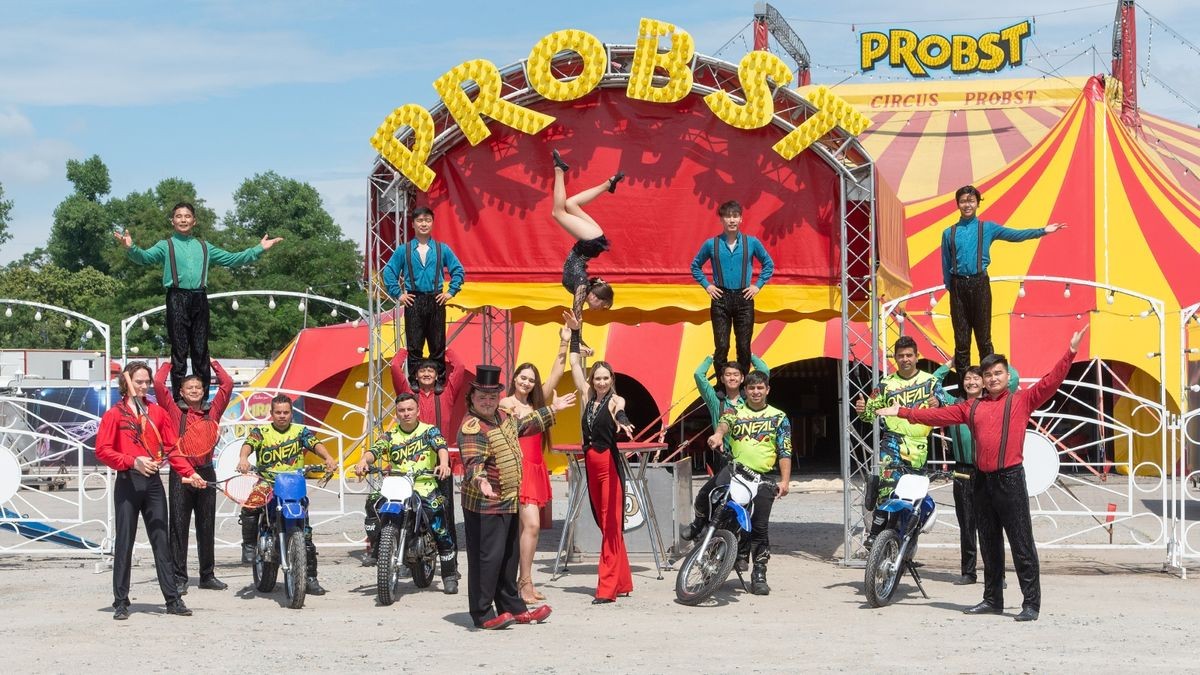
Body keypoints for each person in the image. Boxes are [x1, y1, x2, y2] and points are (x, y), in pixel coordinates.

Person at [877, 326, 1088, 622]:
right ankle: (992, 599)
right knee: (988, 543)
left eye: (998, 373)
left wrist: (1071, 352)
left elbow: (1051, 382)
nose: (992, 378)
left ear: (1007, 376)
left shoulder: (1021, 401)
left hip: (1010, 479)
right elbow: (936, 415)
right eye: (988, 375)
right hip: (981, 481)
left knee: (1021, 543)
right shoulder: (971, 407)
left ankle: (1031, 603)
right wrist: (902, 412)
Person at [116, 202, 282, 395]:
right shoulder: (166, 245)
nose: (183, 220)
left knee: (201, 349)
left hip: (199, 297)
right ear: (172, 221)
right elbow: (145, 257)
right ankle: (178, 395)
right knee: (179, 349)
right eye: (179, 216)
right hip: (177, 296)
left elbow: (232, 259)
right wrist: (131, 248)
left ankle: (202, 395)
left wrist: (259, 249)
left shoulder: (204, 247)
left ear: (194, 221)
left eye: (187, 216)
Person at [458, 365, 575, 629]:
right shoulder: (472, 426)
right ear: (472, 398)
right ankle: (482, 614)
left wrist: (552, 409)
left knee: (508, 558)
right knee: (487, 559)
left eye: (492, 397)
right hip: (485, 503)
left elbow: (524, 425)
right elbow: (473, 461)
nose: (487, 402)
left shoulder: (502, 416)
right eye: (482, 397)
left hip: (509, 498)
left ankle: (513, 607)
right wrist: (481, 480)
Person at [95, 361, 205, 620]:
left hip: (153, 484)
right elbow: (102, 450)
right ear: (127, 383)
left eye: (147, 382)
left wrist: (190, 473)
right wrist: (132, 461)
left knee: (161, 541)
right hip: (128, 482)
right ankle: (121, 601)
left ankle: (172, 600)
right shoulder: (114, 415)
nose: (144, 386)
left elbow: (173, 449)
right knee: (125, 542)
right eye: (139, 382)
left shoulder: (157, 413)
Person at [684, 370, 792, 595]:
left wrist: (785, 481)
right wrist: (718, 435)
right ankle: (699, 526)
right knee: (706, 497)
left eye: (760, 388)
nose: (756, 392)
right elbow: (724, 424)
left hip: (763, 477)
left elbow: (785, 451)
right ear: (745, 391)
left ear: (767, 390)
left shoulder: (779, 417)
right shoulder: (735, 411)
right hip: (735, 470)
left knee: (759, 527)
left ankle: (759, 574)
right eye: (751, 388)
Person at [942, 185, 1065, 374]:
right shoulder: (948, 233)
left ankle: (989, 383)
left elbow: (1015, 235)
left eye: (971, 201)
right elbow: (946, 263)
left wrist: (1042, 231)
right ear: (958, 204)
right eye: (963, 201)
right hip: (958, 286)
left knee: (984, 339)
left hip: (980, 283)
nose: (967, 205)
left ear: (977, 203)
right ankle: (964, 386)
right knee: (961, 342)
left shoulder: (987, 228)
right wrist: (953, 288)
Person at [355, 393, 458, 594]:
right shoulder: (391, 435)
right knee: (372, 502)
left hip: (424, 484)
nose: (406, 413)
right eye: (401, 410)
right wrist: (363, 461)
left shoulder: (429, 431)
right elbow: (374, 451)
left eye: (410, 409)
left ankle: (449, 575)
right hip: (397, 484)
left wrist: (444, 463)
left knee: (440, 527)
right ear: (396, 413)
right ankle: (378, 545)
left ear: (418, 411)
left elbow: (441, 447)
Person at [498, 324, 571, 604]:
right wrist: (551, 409)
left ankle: (524, 581)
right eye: (523, 377)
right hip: (517, 470)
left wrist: (564, 342)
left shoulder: (536, 403)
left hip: (536, 467)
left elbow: (557, 371)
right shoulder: (506, 404)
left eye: (531, 379)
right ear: (514, 378)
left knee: (527, 529)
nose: (527, 383)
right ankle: (523, 583)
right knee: (531, 526)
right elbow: (513, 429)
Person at [237, 394, 338, 595]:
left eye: (285, 412)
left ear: (291, 413)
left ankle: (310, 578)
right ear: (271, 413)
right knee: (249, 506)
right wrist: (243, 458)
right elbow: (248, 444)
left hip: (293, 483)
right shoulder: (261, 431)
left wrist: (328, 457)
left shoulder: (300, 431)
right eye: (278, 412)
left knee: (305, 533)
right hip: (268, 481)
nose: (282, 416)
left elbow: (314, 443)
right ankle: (249, 546)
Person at [932, 358, 1019, 586]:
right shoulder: (955, 404)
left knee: (991, 526)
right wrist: (949, 364)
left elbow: (1014, 377)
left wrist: (987, 359)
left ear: (984, 382)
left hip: (985, 471)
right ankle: (968, 572)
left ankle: (997, 576)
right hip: (961, 471)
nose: (971, 382)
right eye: (967, 378)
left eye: (976, 378)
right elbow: (933, 384)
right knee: (966, 524)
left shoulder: (991, 404)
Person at [854, 336, 945, 549]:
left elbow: (946, 406)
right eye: (901, 356)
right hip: (892, 441)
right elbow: (869, 415)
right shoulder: (885, 384)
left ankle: (906, 547)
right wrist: (862, 410)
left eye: (909, 355)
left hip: (919, 446)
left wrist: (938, 402)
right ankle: (875, 535)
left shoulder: (931, 381)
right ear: (894, 358)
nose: (905, 359)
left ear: (917, 356)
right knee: (887, 489)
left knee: (912, 498)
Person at [566, 324, 635, 604]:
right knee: (604, 523)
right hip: (591, 465)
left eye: (606, 378)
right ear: (592, 380)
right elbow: (574, 363)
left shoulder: (616, 399)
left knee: (610, 524)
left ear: (611, 379)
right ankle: (623, 581)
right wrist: (574, 335)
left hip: (609, 466)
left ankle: (606, 588)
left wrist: (624, 422)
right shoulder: (587, 396)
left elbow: (620, 412)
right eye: (598, 378)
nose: (601, 382)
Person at [153, 358, 234, 595]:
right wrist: (170, 363)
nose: (195, 390)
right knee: (178, 526)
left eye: (198, 387)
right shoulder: (173, 410)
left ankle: (207, 575)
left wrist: (213, 363)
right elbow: (158, 384)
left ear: (203, 390)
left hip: (206, 471)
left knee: (206, 525)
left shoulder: (213, 410)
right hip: (181, 473)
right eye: (190, 387)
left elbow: (227, 384)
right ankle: (179, 577)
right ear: (181, 391)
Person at [386, 348, 467, 567]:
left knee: (445, 513)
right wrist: (408, 350)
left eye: (431, 370)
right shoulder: (409, 395)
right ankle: (409, 560)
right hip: (411, 464)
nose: (427, 373)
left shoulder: (447, 394)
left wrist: (445, 349)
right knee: (407, 512)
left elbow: (459, 368)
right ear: (416, 375)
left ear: (437, 375)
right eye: (422, 370)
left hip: (440, 464)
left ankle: (450, 564)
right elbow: (395, 368)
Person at [382, 206, 466, 392]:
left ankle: (439, 379)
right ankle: (414, 379)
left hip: (436, 299)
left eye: (427, 220)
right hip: (414, 299)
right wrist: (399, 294)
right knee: (414, 344)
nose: (424, 224)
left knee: (437, 344)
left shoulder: (442, 249)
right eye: (420, 220)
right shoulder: (404, 250)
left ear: (432, 223)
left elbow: (458, 270)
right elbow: (388, 272)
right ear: (413, 224)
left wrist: (451, 292)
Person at [690, 200, 775, 373]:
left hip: (744, 298)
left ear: (741, 219)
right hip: (720, 298)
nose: (731, 220)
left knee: (743, 345)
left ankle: (743, 382)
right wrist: (707, 286)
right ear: (721, 219)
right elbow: (695, 266)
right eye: (728, 216)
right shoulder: (711, 244)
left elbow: (768, 264)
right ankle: (722, 384)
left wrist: (757, 286)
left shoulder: (751, 242)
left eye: (735, 216)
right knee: (722, 345)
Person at [550, 149, 618, 356]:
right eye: (602, 305)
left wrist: (580, 342)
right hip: (590, 241)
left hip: (592, 240)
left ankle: (608, 185)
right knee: (557, 212)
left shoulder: (581, 284)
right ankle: (559, 169)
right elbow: (577, 316)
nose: (597, 309)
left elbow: (577, 318)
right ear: (596, 296)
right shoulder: (581, 285)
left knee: (570, 204)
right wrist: (578, 345)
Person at [694, 353, 769, 472]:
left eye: (736, 375)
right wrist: (711, 357)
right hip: (725, 458)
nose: (732, 378)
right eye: (728, 375)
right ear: (722, 379)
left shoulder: (751, 400)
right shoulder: (716, 402)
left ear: (742, 378)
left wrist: (747, 353)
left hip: (750, 457)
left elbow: (764, 372)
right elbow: (698, 375)